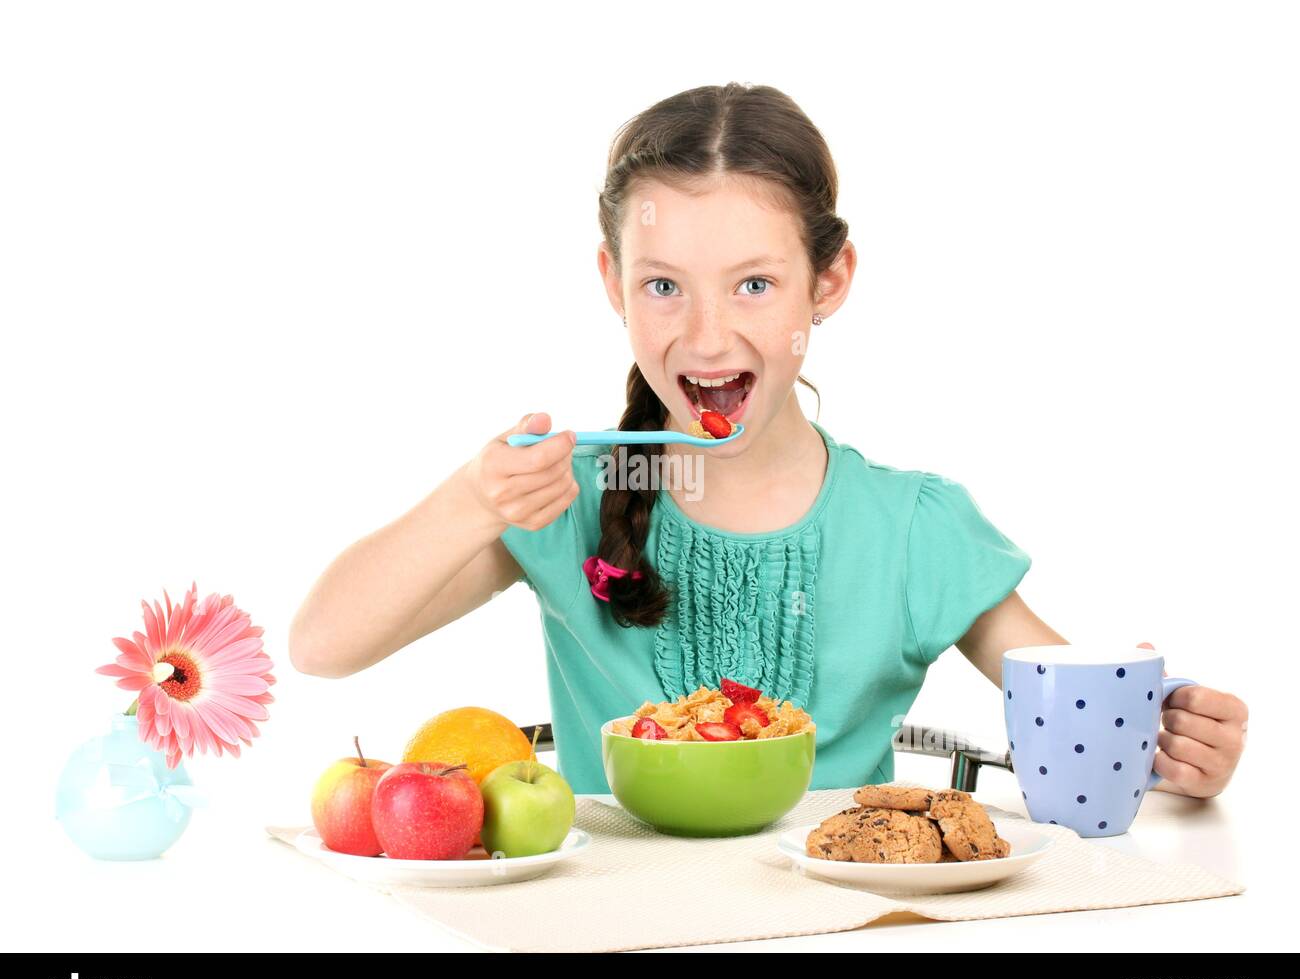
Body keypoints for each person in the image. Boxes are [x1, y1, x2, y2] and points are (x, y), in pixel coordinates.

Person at [290, 82, 1246, 799]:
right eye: (663, 285)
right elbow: (322, 644)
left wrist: (1172, 739)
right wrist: (469, 499)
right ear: (614, 285)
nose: (705, 337)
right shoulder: (575, 493)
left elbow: (1075, 706)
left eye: (753, 284)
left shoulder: (909, 527)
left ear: (826, 285)